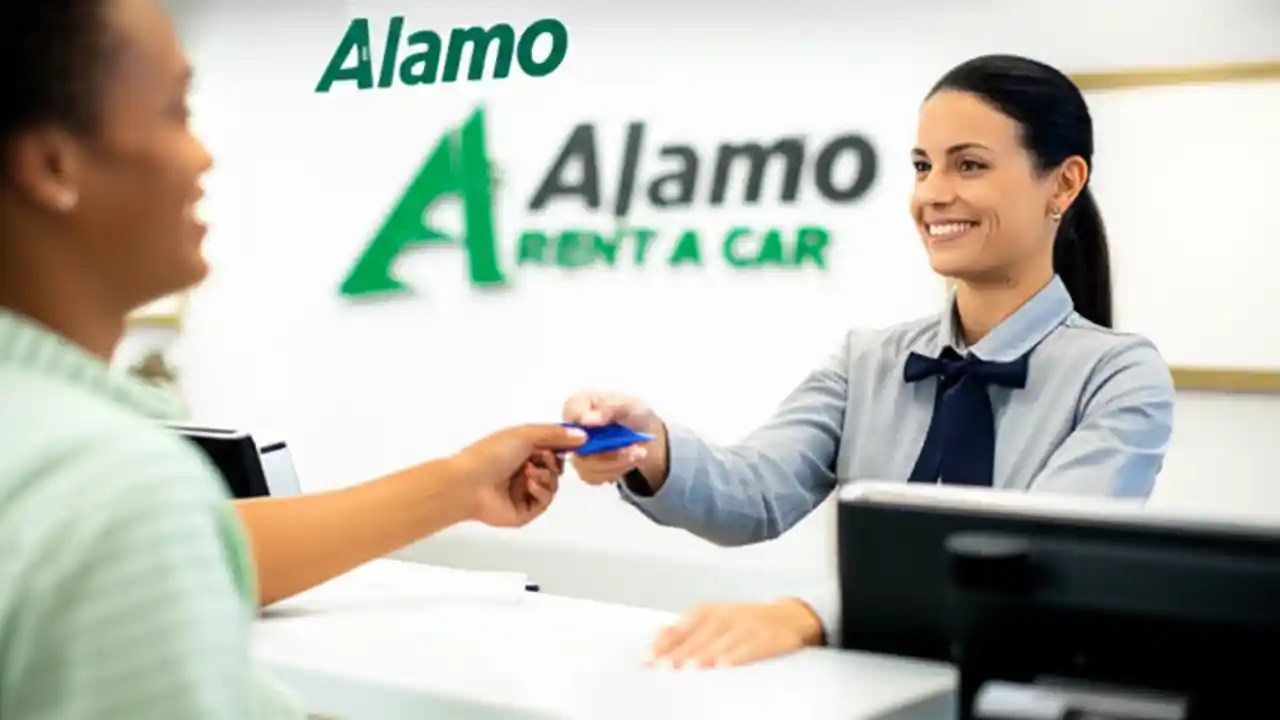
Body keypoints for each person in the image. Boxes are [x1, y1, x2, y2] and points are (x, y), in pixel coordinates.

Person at [0, 1, 584, 717]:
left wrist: (459, 484)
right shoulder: (116, 498)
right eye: (175, 112)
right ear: (52, 165)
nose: (204, 155)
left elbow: (213, 550)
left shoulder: (53, 468)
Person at [563, 54, 1176, 671]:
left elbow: (1031, 558)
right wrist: (649, 445)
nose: (933, 194)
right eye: (921, 166)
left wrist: (807, 615)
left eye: (969, 164)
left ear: (1064, 183)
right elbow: (753, 493)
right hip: (869, 693)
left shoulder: (1118, 377)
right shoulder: (867, 361)